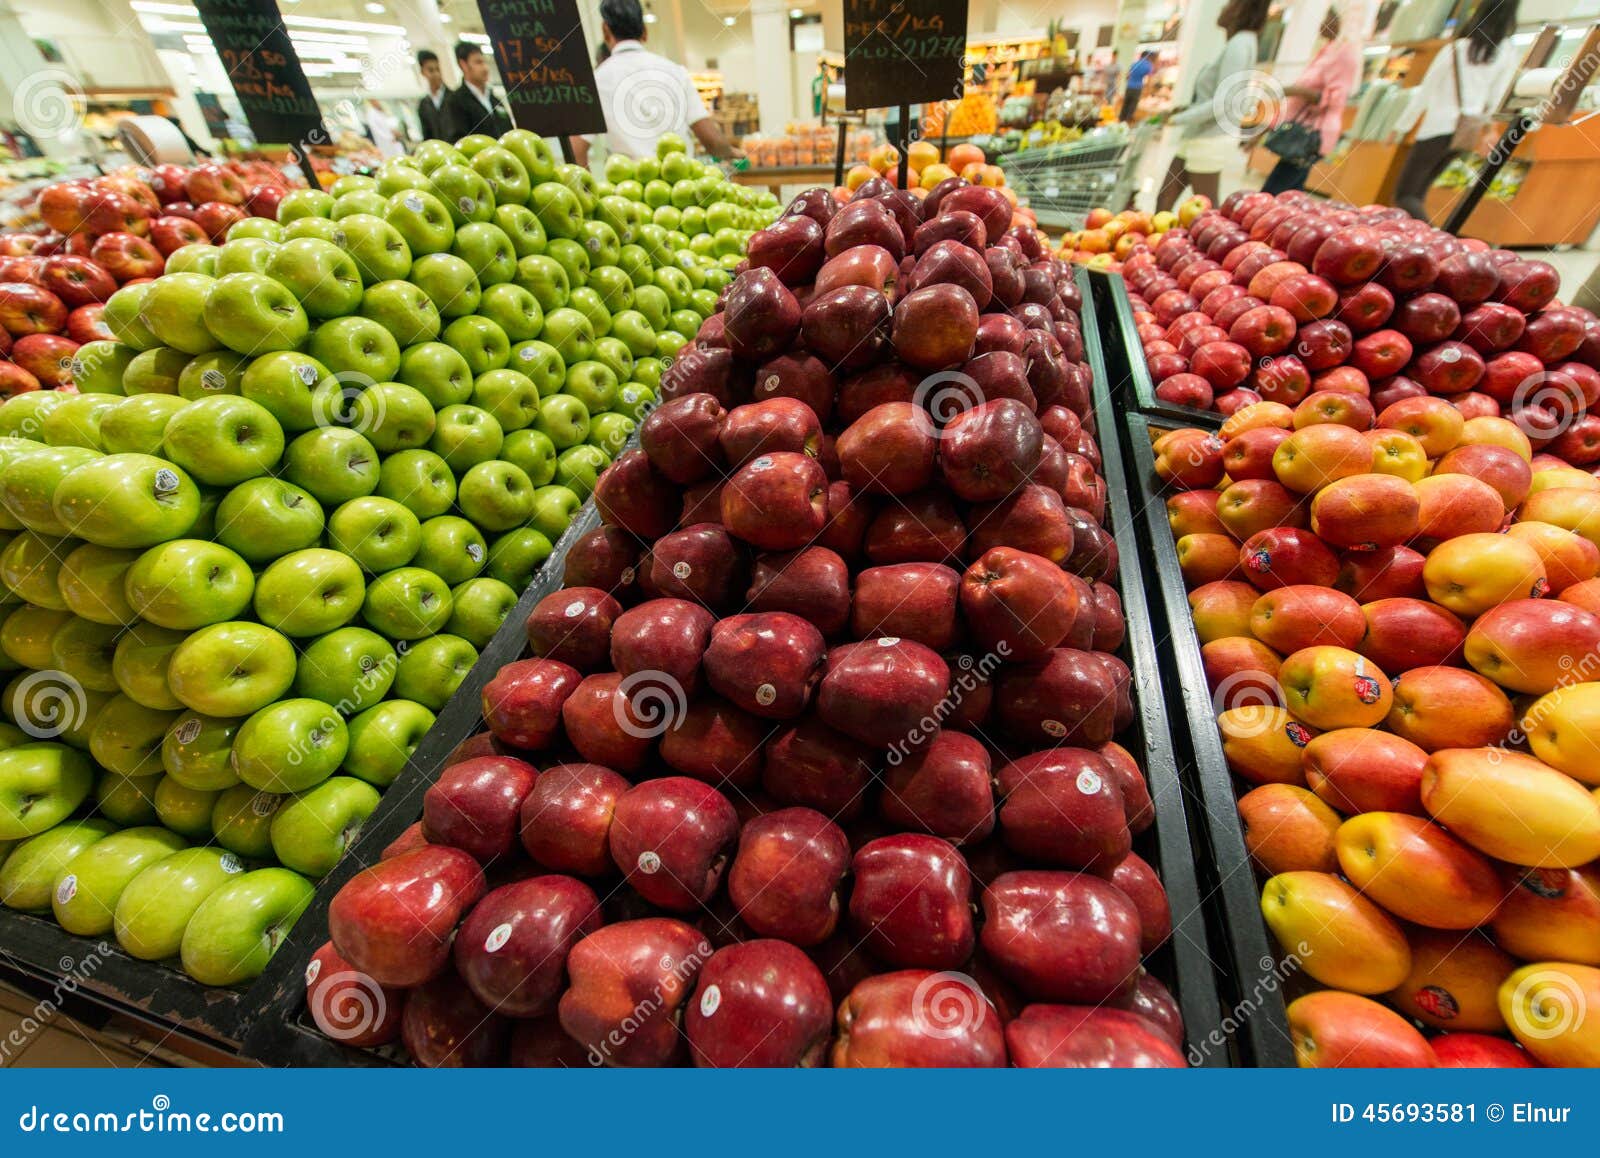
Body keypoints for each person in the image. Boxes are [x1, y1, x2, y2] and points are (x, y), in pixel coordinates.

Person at [1391, 0, 1520, 222]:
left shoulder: (1456, 49)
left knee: (1405, 195)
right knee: (1418, 193)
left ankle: (1434, 241)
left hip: (1437, 127)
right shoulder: (1507, 52)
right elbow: (1497, 99)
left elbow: (1425, 93)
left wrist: (1401, 126)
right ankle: (1420, 242)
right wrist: (1490, 130)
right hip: (1467, 130)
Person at [571, 0, 740, 166]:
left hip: (628, 190)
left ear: (605, 30)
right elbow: (712, 142)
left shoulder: (597, 80)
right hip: (681, 184)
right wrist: (733, 152)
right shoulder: (675, 71)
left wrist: (588, 191)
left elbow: (576, 150)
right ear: (645, 31)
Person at [1158, 0, 1272, 211]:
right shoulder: (1242, 42)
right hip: (1198, 136)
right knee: (1164, 200)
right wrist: (1187, 111)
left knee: (1209, 213)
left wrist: (1176, 120)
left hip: (1209, 139)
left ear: (1241, 9)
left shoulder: (1240, 43)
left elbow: (1224, 102)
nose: (1223, 8)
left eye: (1229, 4)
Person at [1256, 6, 1361, 194]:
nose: (1322, 23)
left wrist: (1291, 90)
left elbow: (1336, 98)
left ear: (1342, 21)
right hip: (1303, 128)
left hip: (1312, 133)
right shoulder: (1329, 49)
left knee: (1271, 193)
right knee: (1291, 191)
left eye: (1329, 18)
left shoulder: (1344, 53)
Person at [444, 41, 513, 139]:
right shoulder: (455, 102)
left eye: (484, 62)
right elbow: (458, 140)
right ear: (463, 65)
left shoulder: (494, 99)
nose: (485, 68)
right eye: (478, 62)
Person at [416, 49, 451, 142]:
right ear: (423, 72)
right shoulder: (423, 105)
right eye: (431, 70)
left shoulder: (454, 98)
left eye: (438, 69)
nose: (436, 74)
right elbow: (427, 136)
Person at [1121, 50, 1156, 122]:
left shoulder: (1134, 63)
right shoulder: (1149, 65)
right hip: (1137, 88)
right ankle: (1127, 120)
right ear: (1148, 57)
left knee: (1126, 103)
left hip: (1129, 86)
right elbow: (1150, 80)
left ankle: (1121, 119)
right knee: (1132, 105)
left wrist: (1131, 81)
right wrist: (1148, 91)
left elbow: (1127, 76)